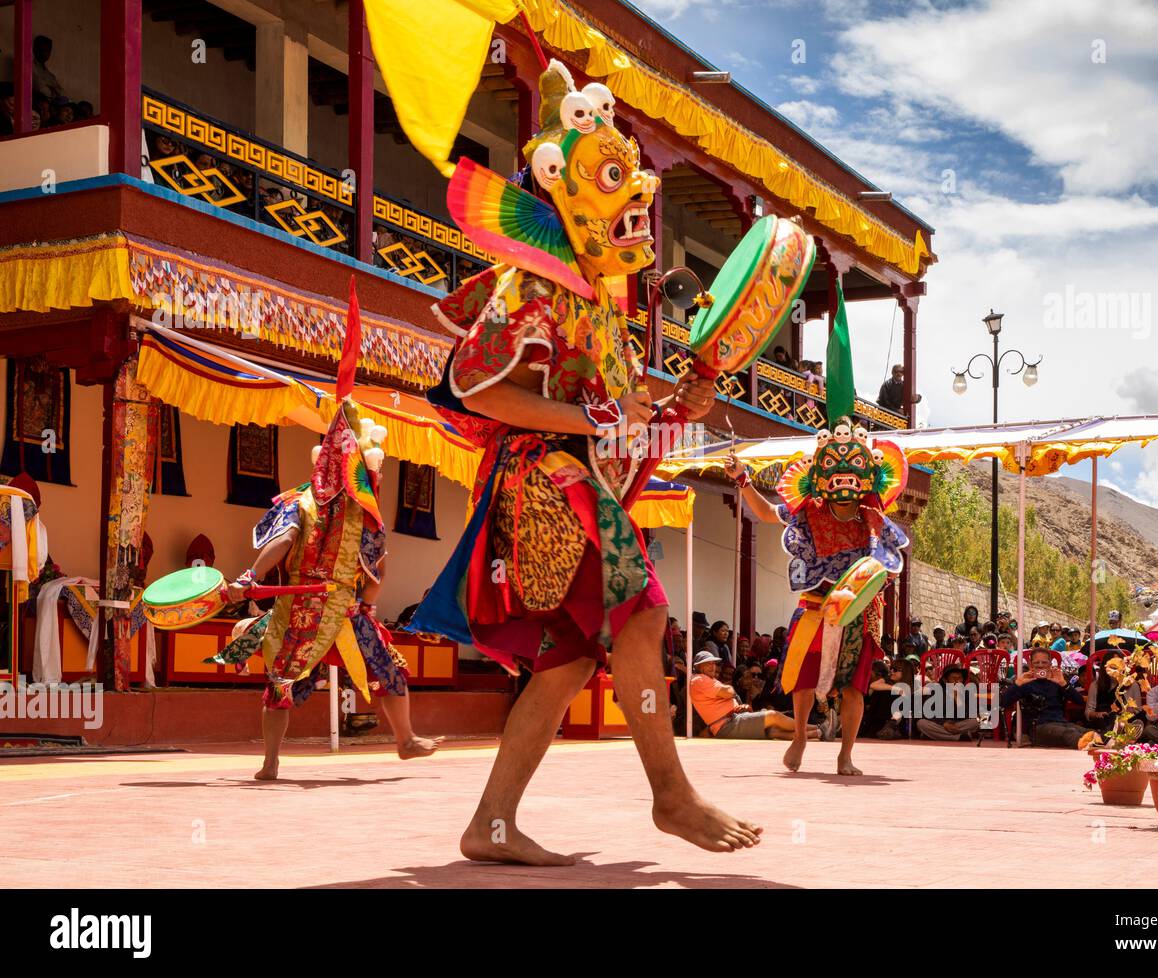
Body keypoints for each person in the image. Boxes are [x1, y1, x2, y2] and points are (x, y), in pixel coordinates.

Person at [408, 60, 760, 863]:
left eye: (634, 184)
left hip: (581, 477)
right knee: (643, 611)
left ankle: (489, 824)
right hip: (543, 481)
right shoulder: (530, 282)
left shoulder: (607, 307)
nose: (636, 200)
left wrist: (679, 408)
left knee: (567, 662)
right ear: (565, 194)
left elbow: (621, 421)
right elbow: (475, 386)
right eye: (614, 181)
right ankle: (671, 796)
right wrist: (589, 415)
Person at [215, 392, 442, 780]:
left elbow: (287, 544)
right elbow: (375, 571)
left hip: (319, 612)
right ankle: (404, 740)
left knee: (288, 684)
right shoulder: (335, 509)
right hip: (330, 610)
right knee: (376, 672)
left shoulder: (307, 504)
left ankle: (272, 763)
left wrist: (251, 576)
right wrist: (251, 577)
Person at [726, 420, 910, 776]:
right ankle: (799, 737)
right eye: (835, 470)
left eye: (853, 469)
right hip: (814, 604)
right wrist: (743, 479)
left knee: (854, 688)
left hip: (857, 611)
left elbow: (889, 560)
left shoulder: (873, 518)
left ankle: (846, 755)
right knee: (804, 679)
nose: (844, 477)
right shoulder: (809, 511)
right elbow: (765, 513)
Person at [690, 651, 820, 741]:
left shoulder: (707, 679)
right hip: (726, 724)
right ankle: (818, 727)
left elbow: (724, 696)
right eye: (708, 663)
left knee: (773, 730)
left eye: (714, 663)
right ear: (698, 667)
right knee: (772, 715)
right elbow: (728, 692)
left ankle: (817, 733)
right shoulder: (700, 679)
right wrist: (729, 689)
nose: (712, 666)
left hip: (729, 721)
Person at [1001, 648, 1088, 747]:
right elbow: (1003, 703)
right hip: (1038, 728)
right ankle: (1088, 745)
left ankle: (1097, 745)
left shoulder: (1056, 680)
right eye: (1036, 662)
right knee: (1070, 734)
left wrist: (1063, 684)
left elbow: (1079, 701)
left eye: (1044, 662)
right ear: (1030, 664)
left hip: (1060, 723)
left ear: (1050, 664)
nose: (1040, 665)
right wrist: (1017, 684)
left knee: (1088, 732)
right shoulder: (1025, 682)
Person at [916, 664, 982, 742]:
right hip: (940, 724)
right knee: (921, 723)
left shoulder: (966, 693)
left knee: (974, 723)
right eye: (954, 678)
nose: (957, 681)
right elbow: (927, 713)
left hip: (957, 724)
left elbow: (970, 715)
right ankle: (958, 737)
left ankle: (936, 735)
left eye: (960, 678)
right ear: (945, 680)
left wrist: (958, 699)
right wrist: (944, 723)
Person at [32, 36, 65, 101]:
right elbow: (41, 89)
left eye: (48, 51)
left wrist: (52, 89)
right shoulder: (31, 66)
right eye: (43, 50)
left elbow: (62, 93)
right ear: (35, 49)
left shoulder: (50, 75)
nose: (46, 53)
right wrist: (53, 90)